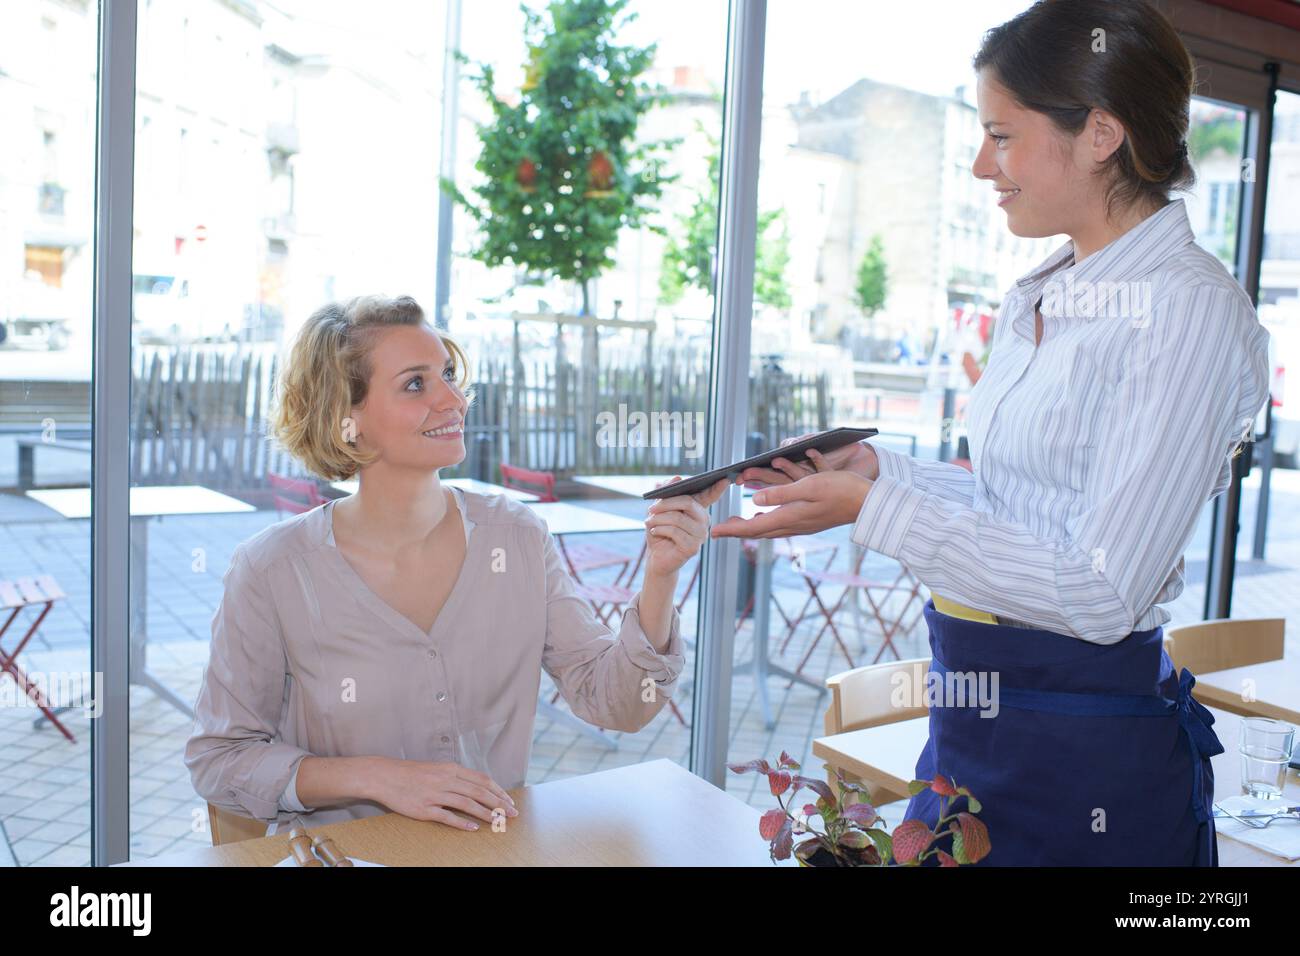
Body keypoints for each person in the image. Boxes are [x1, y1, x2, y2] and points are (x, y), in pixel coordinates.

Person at [712, 0, 1271, 866]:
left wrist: (876, 511)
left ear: (1099, 133)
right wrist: (879, 473)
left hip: (1084, 759)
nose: (981, 165)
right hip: (976, 729)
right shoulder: (1042, 292)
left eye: (1001, 135)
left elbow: (1099, 592)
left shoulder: (1187, 313)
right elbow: (1024, 508)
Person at [186, 294, 727, 835]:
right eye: (416, 384)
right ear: (346, 418)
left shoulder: (517, 538)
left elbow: (620, 707)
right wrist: (378, 778)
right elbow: (220, 759)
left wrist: (661, 575)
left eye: (448, 374)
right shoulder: (272, 570)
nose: (454, 399)